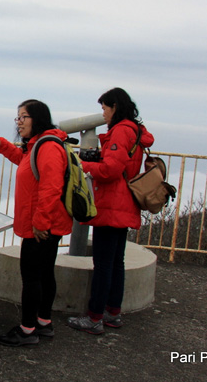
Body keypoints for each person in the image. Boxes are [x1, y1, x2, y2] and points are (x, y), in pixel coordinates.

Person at [0, 99, 72, 346]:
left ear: (38, 119)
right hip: (45, 223)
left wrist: (41, 223)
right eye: (18, 117)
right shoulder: (37, 145)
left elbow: (51, 187)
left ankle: (27, 330)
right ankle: (43, 323)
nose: (19, 122)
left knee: (32, 276)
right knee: (44, 273)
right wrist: (3, 145)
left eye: (24, 117)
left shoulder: (48, 147)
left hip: (42, 225)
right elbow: (26, 163)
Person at [68, 87, 154, 334]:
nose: (103, 114)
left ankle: (94, 317)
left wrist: (84, 164)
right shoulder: (135, 131)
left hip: (112, 204)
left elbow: (110, 171)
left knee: (103, 263)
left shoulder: (120, 132)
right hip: (126, 203)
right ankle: (112, 313)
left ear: (114, 106)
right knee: (116, 262)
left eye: (104, 108)